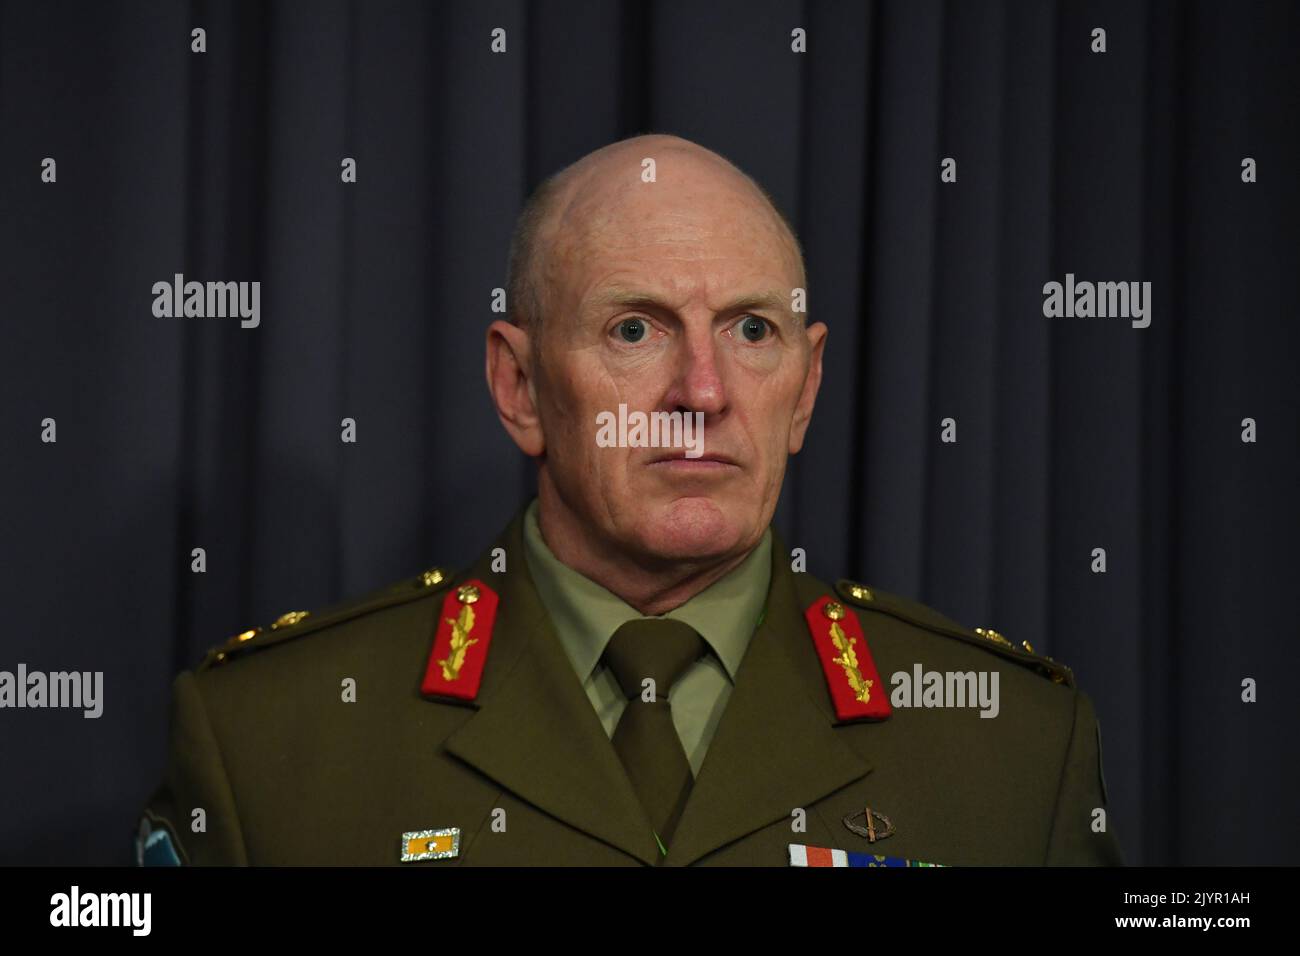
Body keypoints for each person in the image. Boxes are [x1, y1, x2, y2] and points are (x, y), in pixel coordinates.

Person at [135, 133, 1122, 867]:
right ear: (519, 386)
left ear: (805, 389)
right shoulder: (269, 744)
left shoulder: (1012, 748)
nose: (702, 391)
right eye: (636, 331)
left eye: (749, 330)